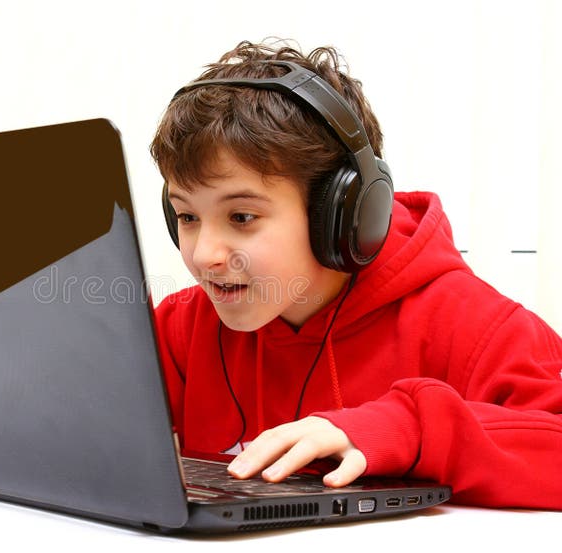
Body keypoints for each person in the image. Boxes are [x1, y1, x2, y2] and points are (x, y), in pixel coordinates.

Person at [148, 39, 562, 508]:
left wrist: (406, 428)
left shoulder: (472, 325)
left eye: (242, 218)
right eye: (187, 217)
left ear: (343, 215)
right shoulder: (185, 328)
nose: (205, 255)